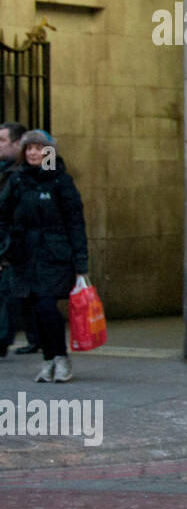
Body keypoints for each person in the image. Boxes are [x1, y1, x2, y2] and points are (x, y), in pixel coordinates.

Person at [0, 130, 90, 383]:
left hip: (54, 255)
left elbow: (75, 223)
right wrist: (5, 245)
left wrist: (81, 262)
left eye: (38, 148)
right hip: (23, 257)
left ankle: (60, 358)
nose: (32, 153)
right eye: (28, 148)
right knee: (34, 310)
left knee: (47, 306)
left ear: (48, 151)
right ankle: (48, 360)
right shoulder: (16, 181)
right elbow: (3, 215)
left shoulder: (61, 182)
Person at [0, 121, 38, 356]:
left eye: (3, 140)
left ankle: (3, 339)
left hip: (19, 241)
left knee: (11, 291)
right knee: (21, 293)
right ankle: (35, 338)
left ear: (18, 144)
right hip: (11, 239)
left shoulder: (24, 174)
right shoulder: (6, 170)